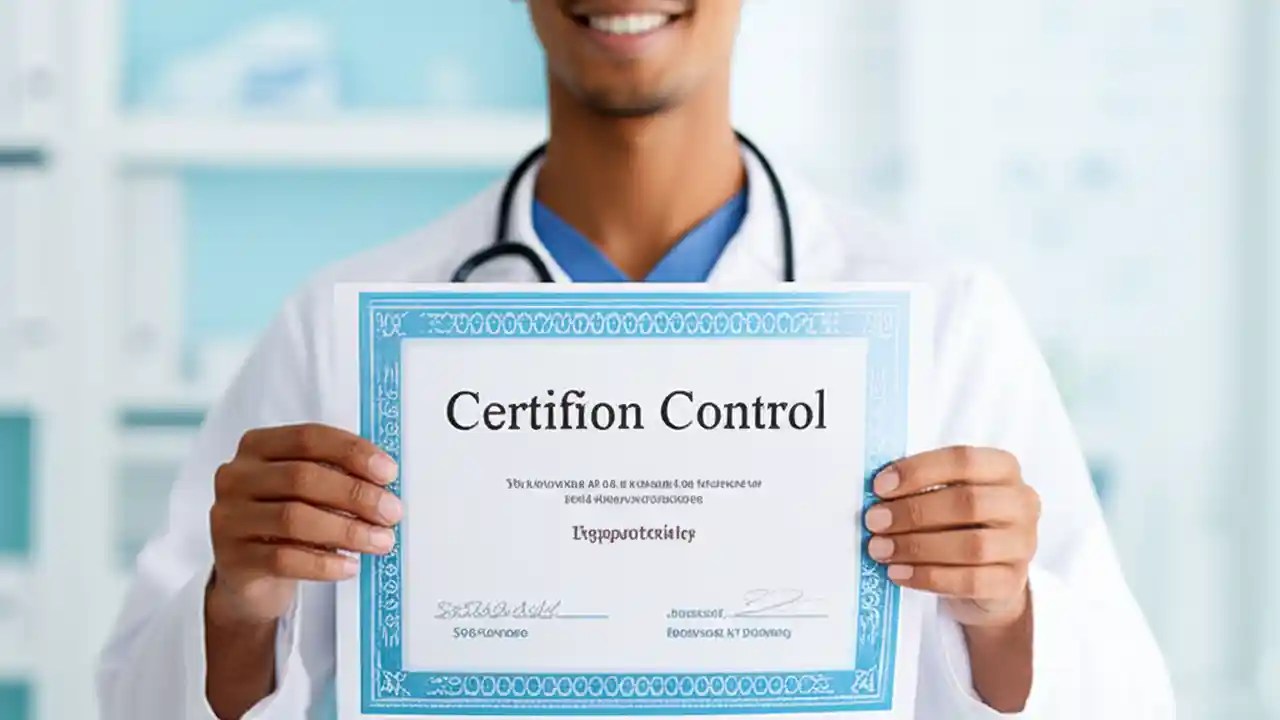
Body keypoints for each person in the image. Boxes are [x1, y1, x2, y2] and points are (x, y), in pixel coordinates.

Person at [96, 1, 1175, 718]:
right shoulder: (341, 324)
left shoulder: (941, 320)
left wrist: (1005, 614)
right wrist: (236, 608)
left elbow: (1125, 699)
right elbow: (137, 696)